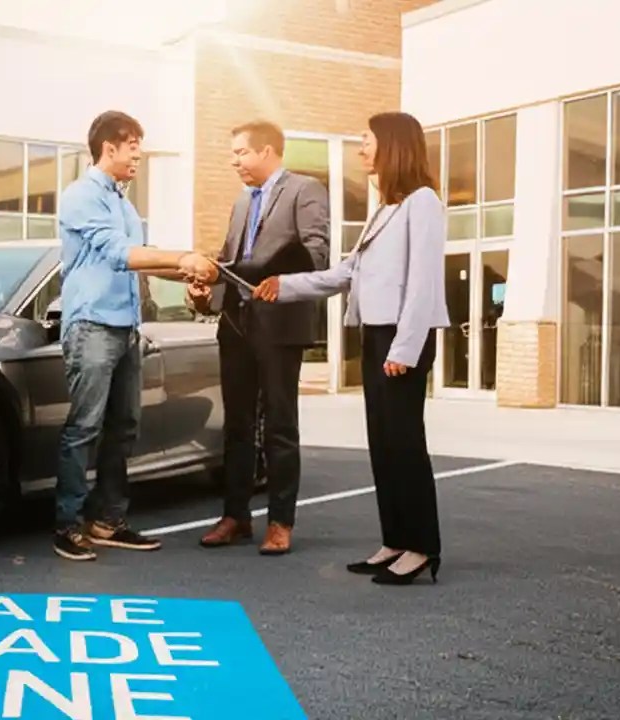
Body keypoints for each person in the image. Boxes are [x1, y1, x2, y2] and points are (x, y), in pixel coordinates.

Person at [250, 111, 450, 585]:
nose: (361, 149)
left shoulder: (423, 202)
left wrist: (403, 348)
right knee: (382, 446)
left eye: (367, 140)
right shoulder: (385, 209)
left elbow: (422, 283)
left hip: (403, 338)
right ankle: (395, 540)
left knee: (404, 447)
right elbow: (344, 274)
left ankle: (422, 547)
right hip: (377, 335)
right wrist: (285, 284)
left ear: (393, 144)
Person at [52, 110, 217, 562]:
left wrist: (186, 272)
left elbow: (141, 260)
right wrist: (183, 256)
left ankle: (107, 520)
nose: (138, 158)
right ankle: (68, 525)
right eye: (133, 149)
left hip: (126, 328)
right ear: (109, 147)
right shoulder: (81, 196)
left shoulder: (124, 204)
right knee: (84, 428)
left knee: (124, 428)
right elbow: (118, 253)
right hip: (91, 326)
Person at [187, 120, 328, 556]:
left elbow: (315, 254)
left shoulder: (306, 190)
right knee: (238, 426)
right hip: (236, 327)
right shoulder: (242, 202)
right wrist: (206, 289)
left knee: (280, 426)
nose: (235, 162)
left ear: (267, 151)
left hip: (280, 326)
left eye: (241, 153)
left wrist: (246, 272)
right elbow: (232, 261)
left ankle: (281, 522)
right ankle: (236, 517)